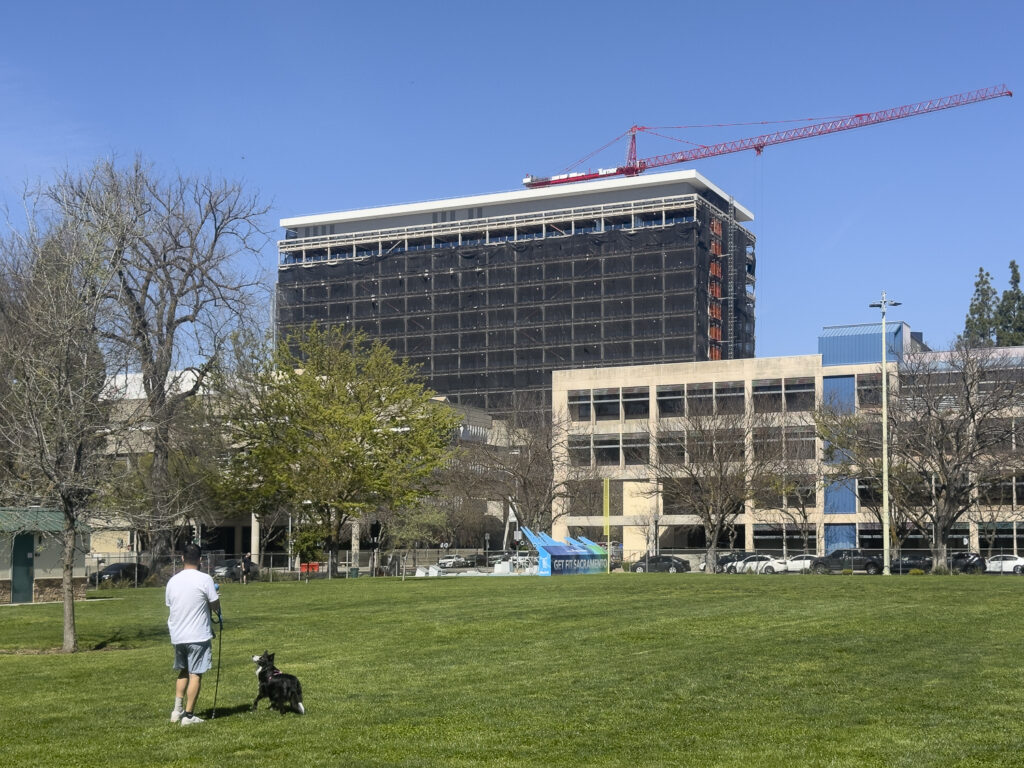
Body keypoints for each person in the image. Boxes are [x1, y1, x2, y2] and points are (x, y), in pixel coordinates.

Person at [166, 543, 221, 726]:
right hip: (197, 635)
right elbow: (215, 603)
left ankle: (177, 710)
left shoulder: (173, 581)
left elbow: (171, 605)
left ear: (182, 558)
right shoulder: (204, 579)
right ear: (200, 560)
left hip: (178, 634)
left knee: (183, 671)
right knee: (195, 674)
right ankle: (189, 716)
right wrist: (216, 612)